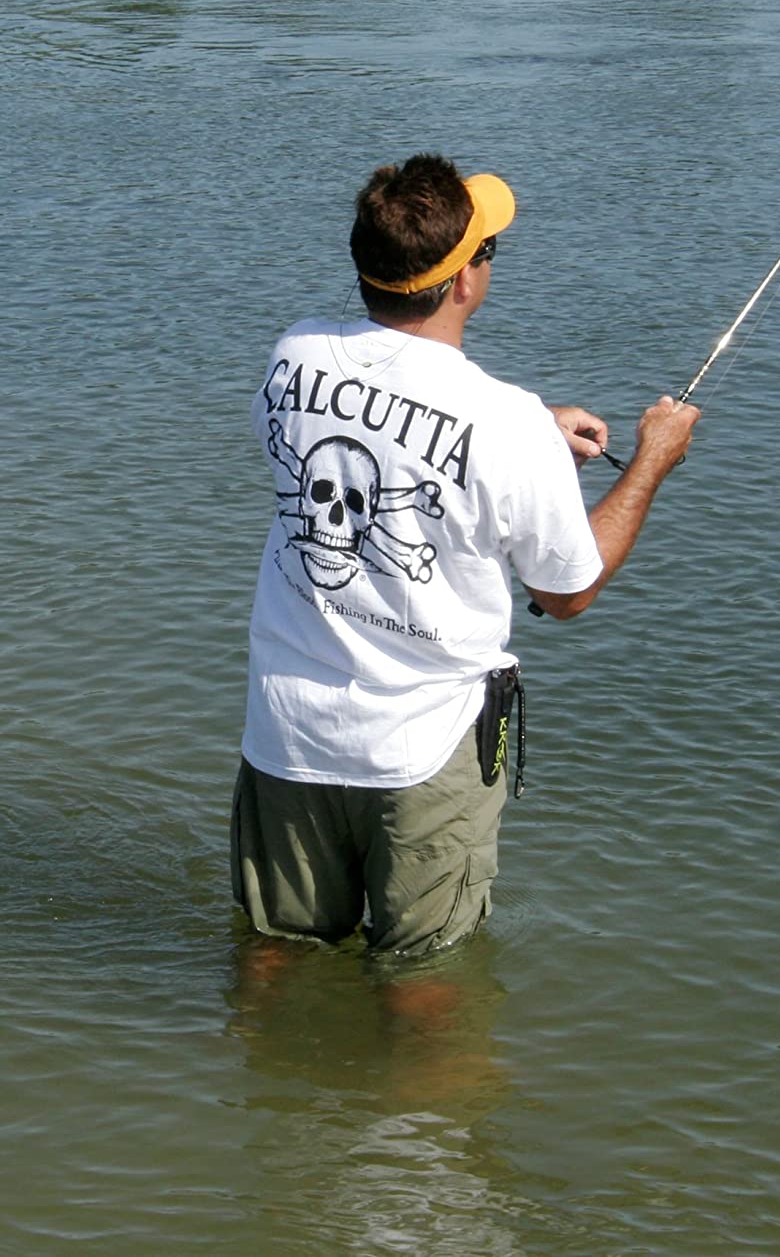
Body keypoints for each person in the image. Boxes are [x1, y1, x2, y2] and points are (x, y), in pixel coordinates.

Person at [231, 153, 699, 956]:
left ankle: (271, 1078)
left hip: (286, 735)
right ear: (463, 283)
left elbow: (384, 411)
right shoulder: (504, 424)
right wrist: (654, 458)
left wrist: (536, 429)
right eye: (488, 251)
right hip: (425, 751)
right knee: (427, 989)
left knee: (274, 956)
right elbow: (568, 591)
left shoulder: (294, 353)